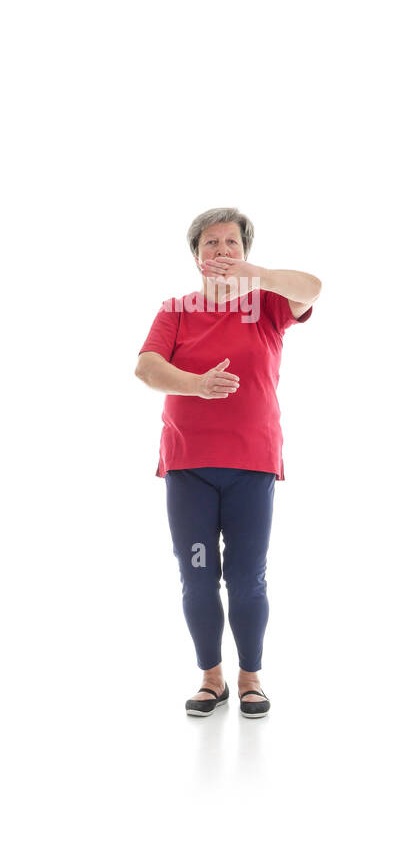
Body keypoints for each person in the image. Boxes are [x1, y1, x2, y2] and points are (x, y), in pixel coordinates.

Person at [135, 207, 320, 718]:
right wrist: (196, 385)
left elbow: (313, 287)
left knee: (247, 577)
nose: (221, 251)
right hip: (189, 464)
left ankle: (251, 678)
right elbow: (147, 368)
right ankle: (211, 678)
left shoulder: (267, 304)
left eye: (231, 243)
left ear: (245, 251)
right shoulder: (175, 309)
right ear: (196, 255)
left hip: (252, 463)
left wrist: (256, 277)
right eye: (211, 243)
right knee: (197, 576)